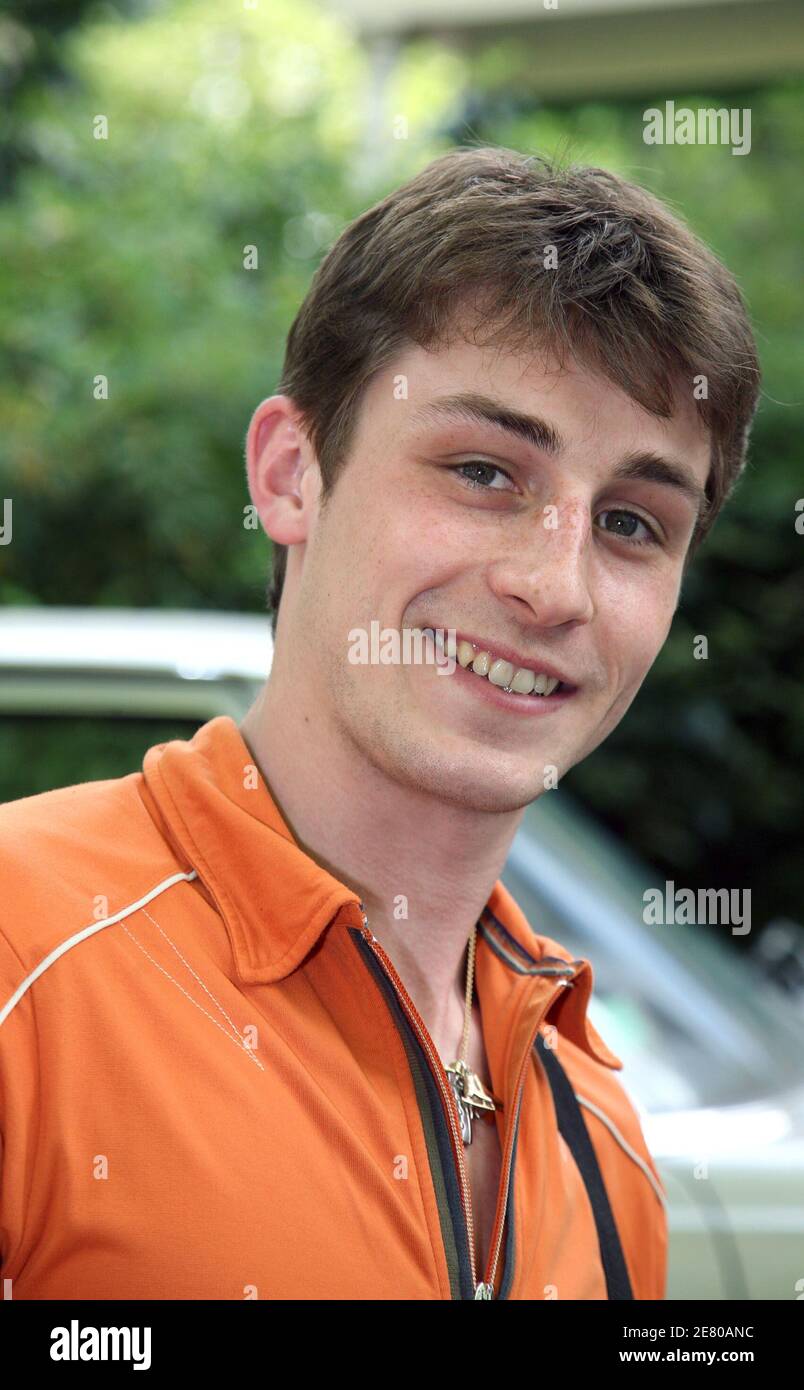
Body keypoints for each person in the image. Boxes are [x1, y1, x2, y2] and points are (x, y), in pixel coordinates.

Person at [0, 146, 760, 1301]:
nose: (554, 587)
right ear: (289, 473)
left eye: (631, 522)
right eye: (485, 471)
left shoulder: (600, 1135)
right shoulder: (23, 960)